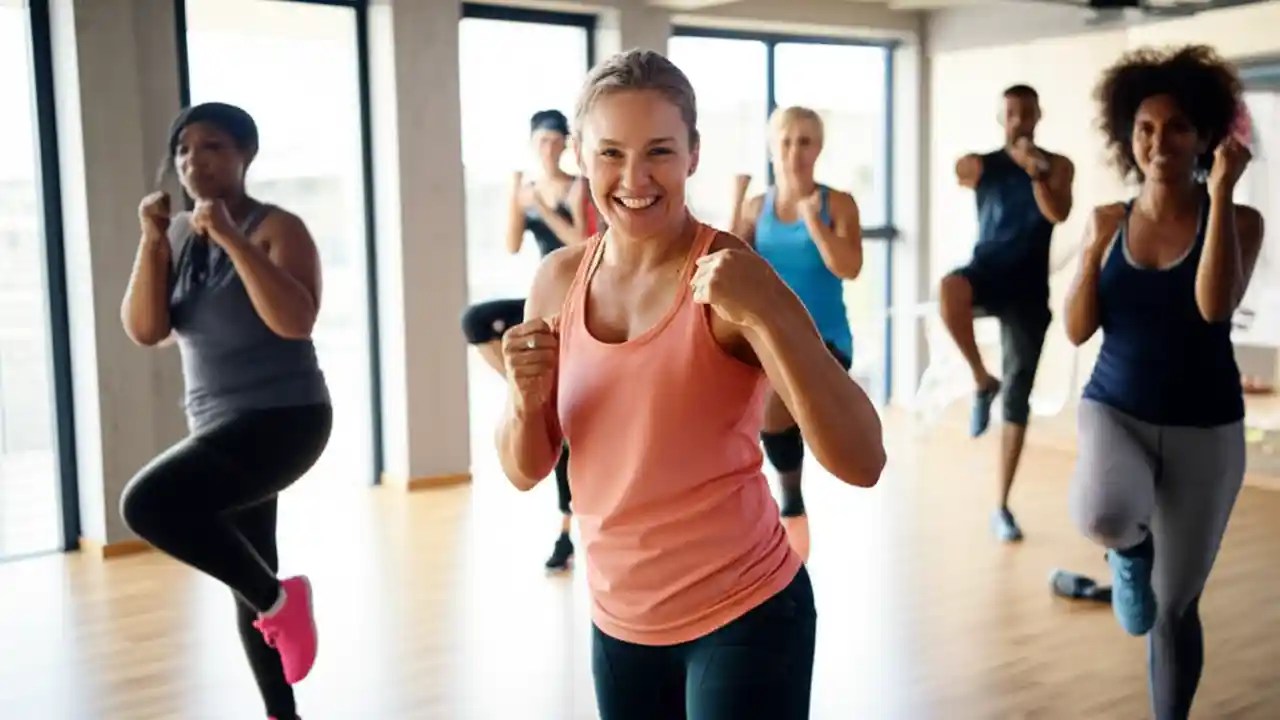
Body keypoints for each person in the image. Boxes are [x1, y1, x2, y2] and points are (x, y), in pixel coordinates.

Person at [495, 49, 885, 719]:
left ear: (693, 155)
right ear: (580, 157)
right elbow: (524, 468)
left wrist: (771, 311)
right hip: (619, 621)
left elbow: (864, 460)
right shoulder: (557, 282)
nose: (635, 178)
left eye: (660, 152)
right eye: (611, 153)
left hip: (747, 614)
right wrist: (526, 401)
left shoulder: (730, 273)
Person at [1065, 45, 1263, 720]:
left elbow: (1213, 308)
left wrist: (1222, 191)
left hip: (1206, 427)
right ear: (1128, 136)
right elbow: (1076, 330)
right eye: (1145, 128)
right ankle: (1129, 554)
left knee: (1175, 608)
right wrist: (1091, 249)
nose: (1159, 141)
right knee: (1102, 514)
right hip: (1113, 408)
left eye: (1177, 127)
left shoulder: (1239, 220)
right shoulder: (1109, 220)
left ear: (1206, 137)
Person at [119, 102, 330, 720]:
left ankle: (280, 601)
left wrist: (233, 239)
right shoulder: (178, 235)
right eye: (183, 150)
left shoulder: (277, 228)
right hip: (216, 425)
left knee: (147, 504)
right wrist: (152, 238)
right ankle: (282, 711)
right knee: (250, 574)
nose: (194, 161)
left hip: (285, 419)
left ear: (246, 154)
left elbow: (295, 322)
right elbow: (146, 329)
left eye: (211, 147)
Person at [941, 84, 1074, 542]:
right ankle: (982, 379)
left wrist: (1035, 172)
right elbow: (961, 170)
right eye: (1011, 113)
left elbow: (1058, 213)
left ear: (1038, 115)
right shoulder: (987, 165)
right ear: (1002, 118)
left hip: (1027, 289)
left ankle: (1001, 505)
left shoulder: (1057, 166)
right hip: (987, 272)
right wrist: (966, 164)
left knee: (1018, 397)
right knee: (949, 289)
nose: (1019, 119)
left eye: (1026, 112)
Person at [729, 106, 863, 561]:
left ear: (819, 148)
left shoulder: (838, 203)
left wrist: (814, 223)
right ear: (773, 147)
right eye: (786, 141)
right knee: (754, 408)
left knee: (774, 404)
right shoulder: (756, 207)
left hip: (827, 341)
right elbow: (731, 266)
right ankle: (784, 504)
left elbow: (849, 268)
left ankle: (788, 501)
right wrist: (736, 203)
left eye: (805, 141)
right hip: (772, 342)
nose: (794, 151)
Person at [459, 109, 590, 571]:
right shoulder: (528, 189)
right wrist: (516, 199)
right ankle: (527, 386)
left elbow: (581, 241)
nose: (548, 149)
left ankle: (566, 533)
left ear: (566, 145)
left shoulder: (579, 188)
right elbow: (512, 244)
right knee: (476, 321)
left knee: (567, 434)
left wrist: (544, 207)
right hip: (543, 298)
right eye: (541, 142)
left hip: (578, 296)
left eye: (555, 141)